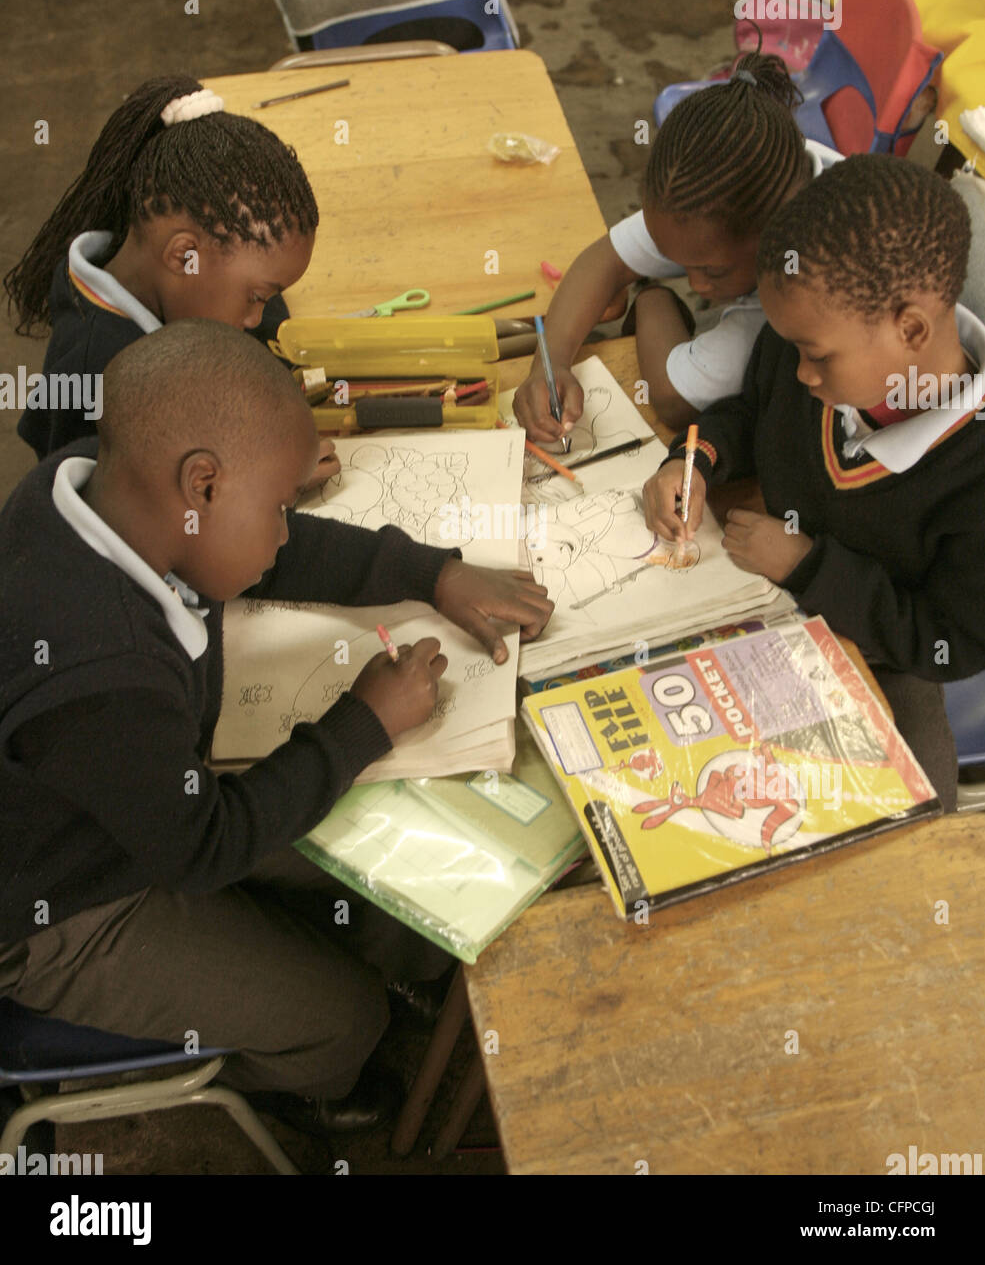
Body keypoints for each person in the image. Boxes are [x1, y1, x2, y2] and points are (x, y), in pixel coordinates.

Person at [0, 320, 554, 1137]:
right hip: (64, 910)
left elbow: (276, 555)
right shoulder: (97, 672)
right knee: (342, 1017)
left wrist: (430, 571)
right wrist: (362, 724)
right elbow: (203, 848)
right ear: (203, 486)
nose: (288, 531)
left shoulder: (95, 493)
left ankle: (356, 979)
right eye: (281, 507)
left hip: (137, 812)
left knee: (392, 877)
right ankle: (301, 1088)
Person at [643, 154, 985, 810]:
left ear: (909, 329)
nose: (799, 373)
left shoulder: (972, 478)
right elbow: (752, 410)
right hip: (747, 603)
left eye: (813, 355)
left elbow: (945, 644)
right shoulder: (813, 345)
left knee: (916, 826)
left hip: (884, 656)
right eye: (790, 346)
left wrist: (807, 565)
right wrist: (694, 459)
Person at [512, 49, 841, 437]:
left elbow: (673, 401)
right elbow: (603, 260)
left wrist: (652, 300)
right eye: (677, 262)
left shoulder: (798, 294)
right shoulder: (763, 177)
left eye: (711, 271)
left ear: (774, 234)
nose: (696, 284)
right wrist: (549, 365)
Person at [4, 75, 323, 465]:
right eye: (257, 297)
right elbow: (119, 516)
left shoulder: (181, 284)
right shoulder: (94, 379)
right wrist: (264, 483)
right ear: (183, 256)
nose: (257, 316)